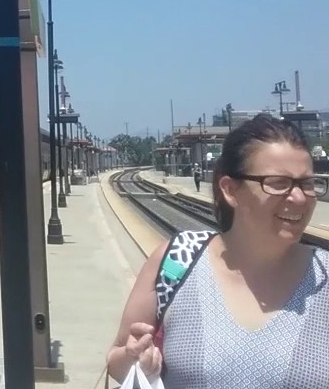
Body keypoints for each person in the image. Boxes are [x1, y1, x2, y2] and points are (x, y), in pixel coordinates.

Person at [106, 114, 329, 387]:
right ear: (230, 190)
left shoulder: (324, 278)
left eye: (307, 183)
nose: (299, 197)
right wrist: (134, 358)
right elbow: (116, 360)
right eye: (278, 183)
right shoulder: (176, 261)